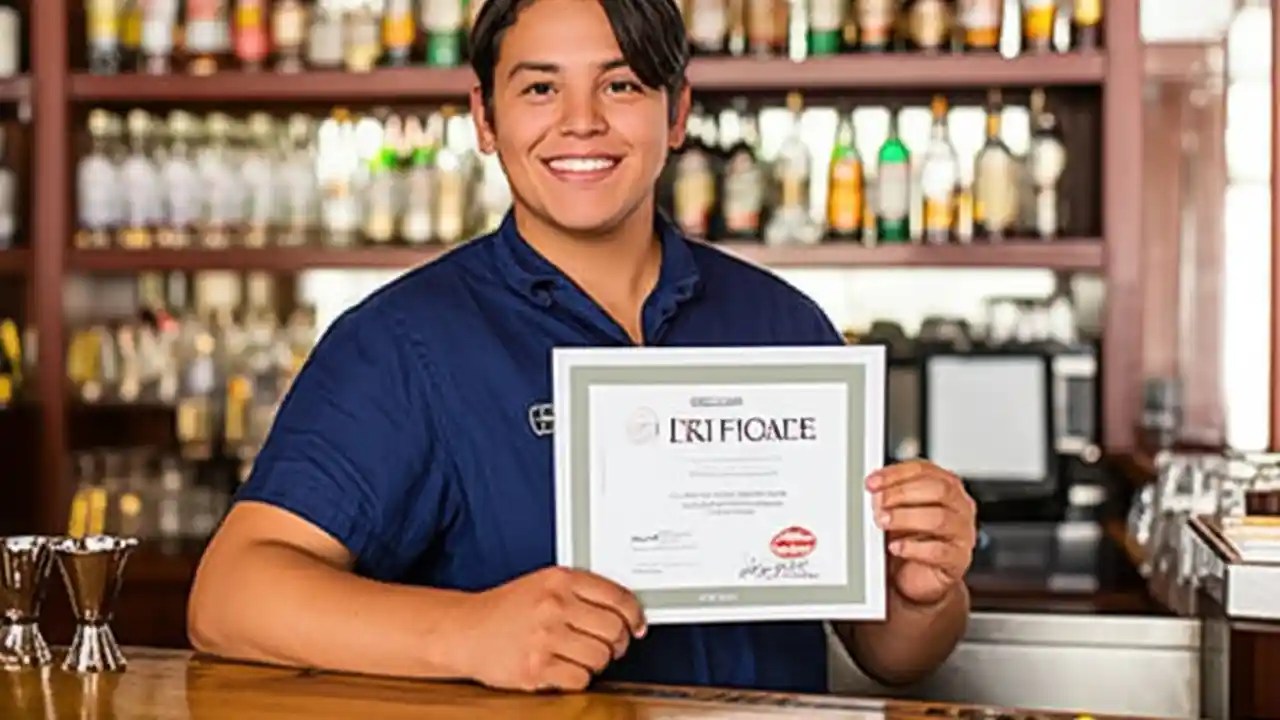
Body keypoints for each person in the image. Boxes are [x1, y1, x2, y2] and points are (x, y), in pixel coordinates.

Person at [187, 0, 978, 695]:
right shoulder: (401, 343)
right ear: (485, 120)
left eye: (621, 85)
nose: (581, 121)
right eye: (540, 88)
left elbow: (891, 653)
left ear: (676, 113)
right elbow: (229, 596)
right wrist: (470, 633)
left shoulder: (784, 325)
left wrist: (924, 590)